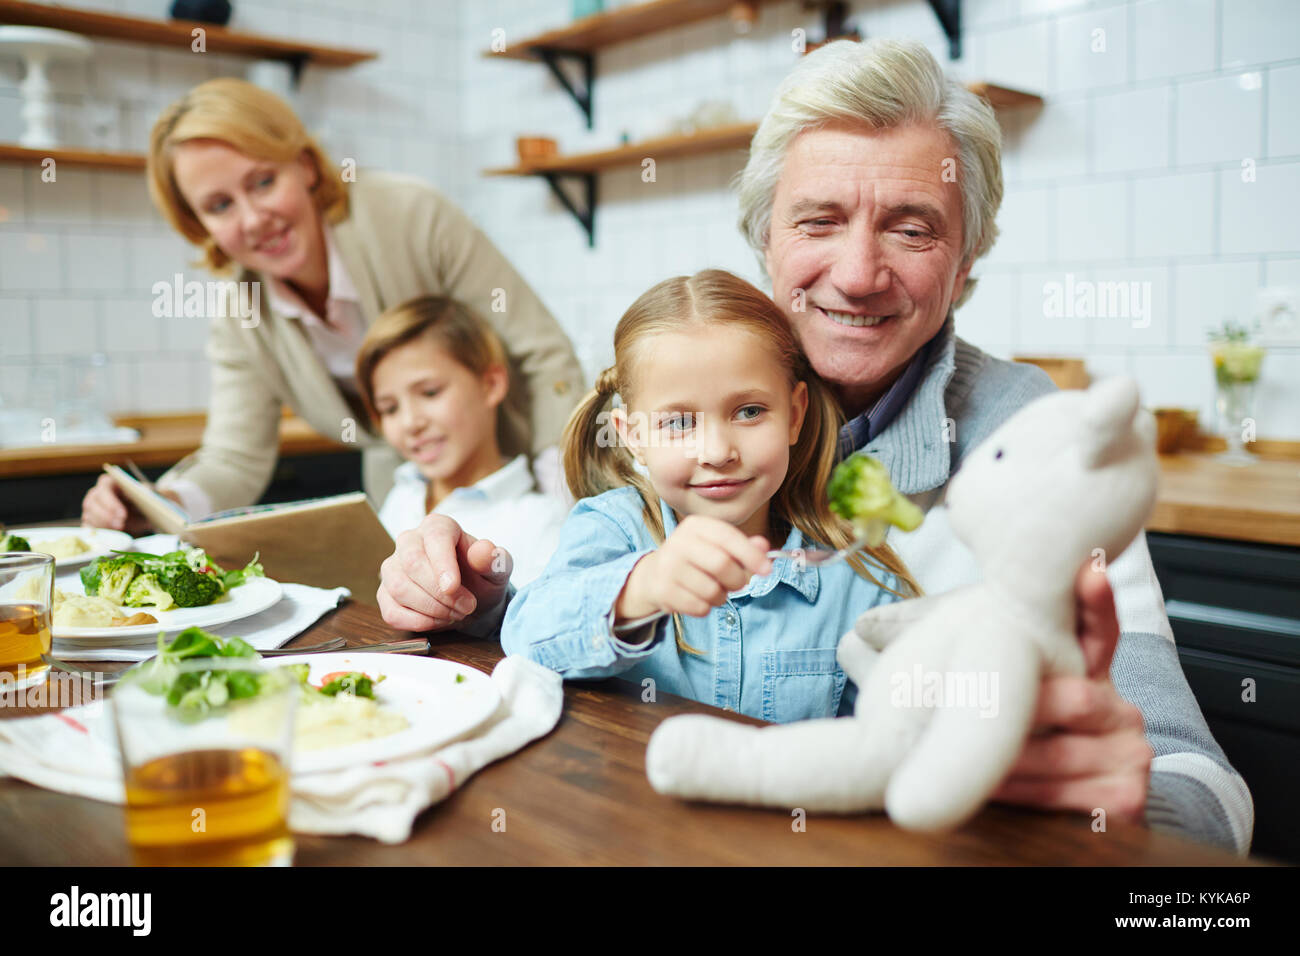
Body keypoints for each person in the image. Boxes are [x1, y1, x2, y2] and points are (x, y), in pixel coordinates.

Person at [378, 39, 1252, 854]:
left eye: (912, 228)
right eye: (818, 220)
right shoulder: (696, 385)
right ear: (765, 241)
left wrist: (1127, 808)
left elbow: (1203, 787)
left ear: (969, 259)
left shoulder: (1033, 443)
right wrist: (476, 599)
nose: (859, 273)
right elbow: (590, 614)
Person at [81, 77, 582, 532]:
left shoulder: (411, 216)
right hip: (410, 494)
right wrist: (157, 503)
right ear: (198, 224)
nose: (254, 219)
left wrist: (567, 496)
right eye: (220, 205)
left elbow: (540, 354)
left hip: (528, 471)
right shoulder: (242, 312)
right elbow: (236, 457)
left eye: (262, 182)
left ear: (304, 166)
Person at [501, 270, 919, 721]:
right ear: (632, 436)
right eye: (679, 423)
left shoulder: (854, 577)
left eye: (749, 411)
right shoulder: (610, 528)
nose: (718, 452)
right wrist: (641, 587)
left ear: (794, 415)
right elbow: (526, 638)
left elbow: (896, 732)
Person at [355, 295, 568, 588]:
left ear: (491, 385)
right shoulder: (401, 496)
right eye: (390, 408)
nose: (410, 423)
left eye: (430, 393)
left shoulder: (543, 520)